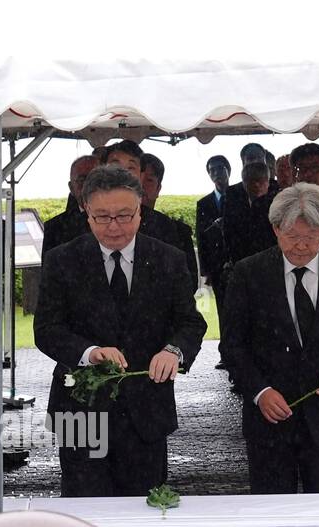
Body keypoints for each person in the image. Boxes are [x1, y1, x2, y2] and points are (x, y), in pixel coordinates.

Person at [34, 165, 206, 497]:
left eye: (124, 216)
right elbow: (46, 329)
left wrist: (174, 351)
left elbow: (190, 322)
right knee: (84, 516)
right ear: (86, 212)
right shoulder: (62, 261)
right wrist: (88, 353)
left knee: (144, 512)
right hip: (80, 411)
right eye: (103, 217)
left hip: (146, 411)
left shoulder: (168, 259)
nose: (114, 226)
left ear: (141, 211)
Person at [221, 183, 319, 495]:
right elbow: (233, 346)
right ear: (276, 229)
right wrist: (260, 392)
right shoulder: (248, 273)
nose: (302, 246)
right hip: (268, 423)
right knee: (272, 518)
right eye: (293, 236)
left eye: (312, 237)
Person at [103, 140, 198, 290]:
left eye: (131, 168)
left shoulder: (164, 227)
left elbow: (181, 287)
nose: (122, 174)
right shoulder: (82, 224)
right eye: (115, 166)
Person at [41, 154, 99, 254]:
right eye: (82, 180)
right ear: (72, 188)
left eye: (95, 178)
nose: (89, 185)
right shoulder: (55, 228)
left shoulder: (126, 220)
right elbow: (49, 268)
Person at [196, 155, 231, 309]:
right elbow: (201, 236)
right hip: (216, 266)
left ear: (228, 170)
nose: (216, 173)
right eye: (212, 170)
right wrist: (205, 271)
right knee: (222, 309)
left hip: (240, 263)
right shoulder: (203, 204)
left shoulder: (240, 195)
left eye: (220, 168)